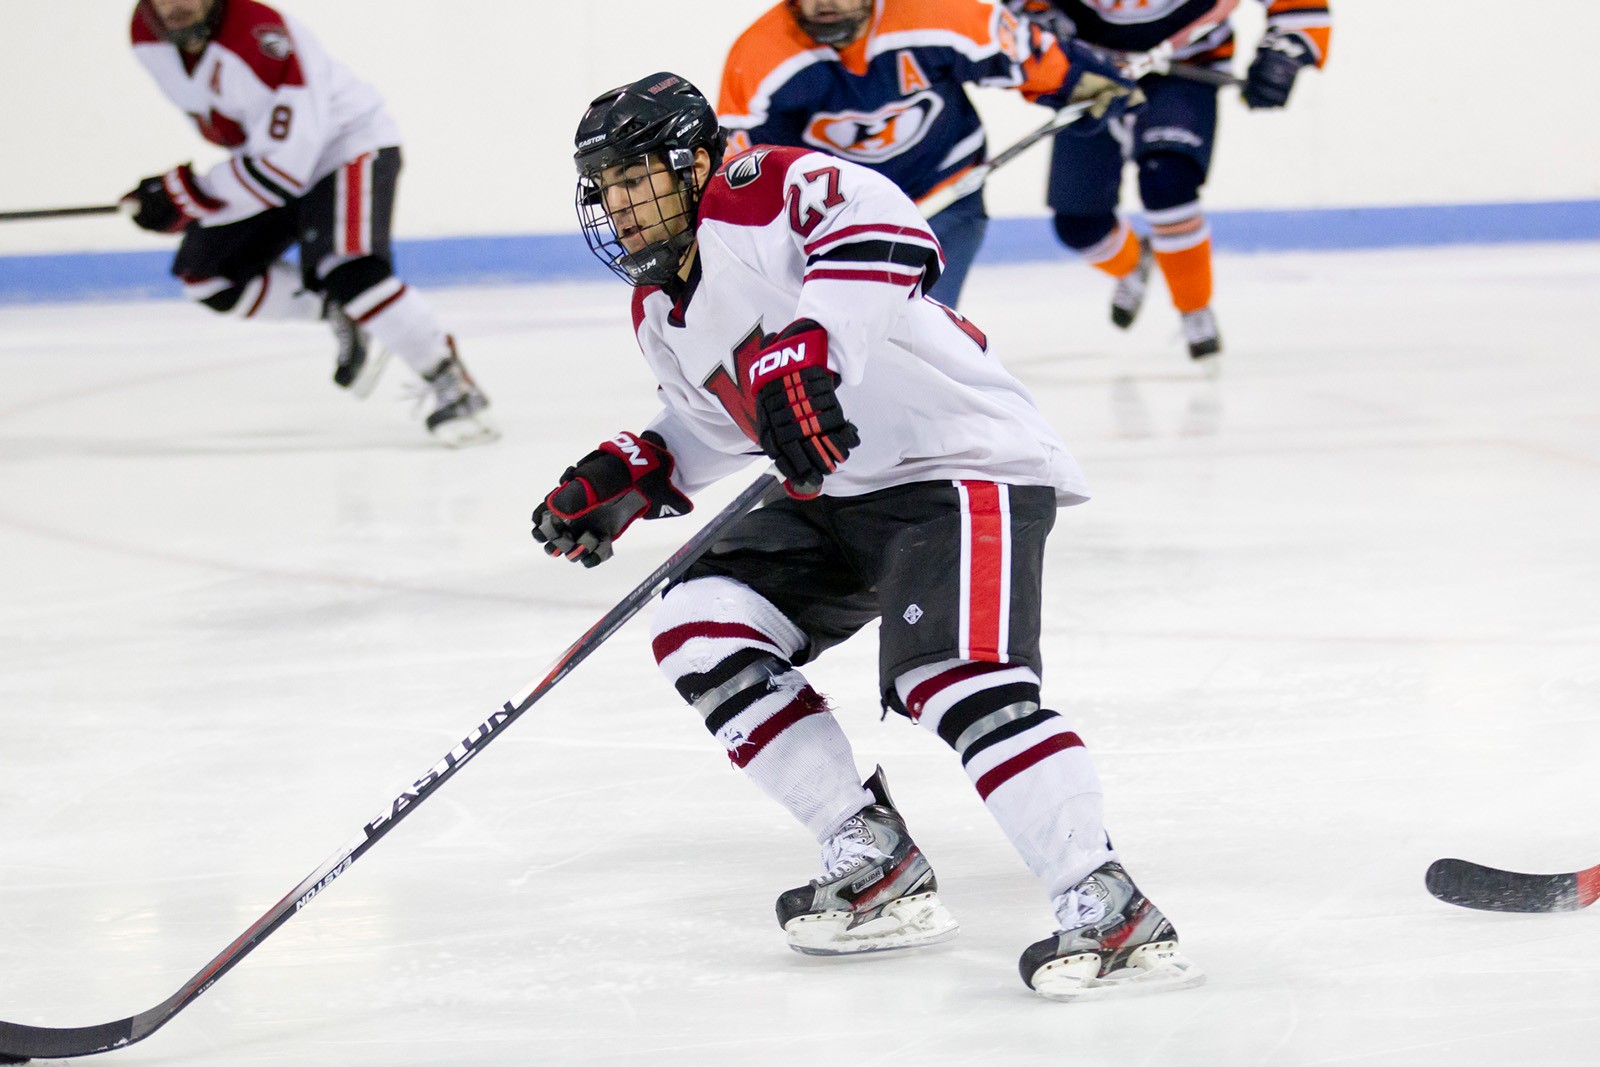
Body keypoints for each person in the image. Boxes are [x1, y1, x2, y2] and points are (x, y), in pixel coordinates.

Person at [532, 71, 1203, 1000]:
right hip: (839, 489)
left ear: (694, 165)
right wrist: (632, 473)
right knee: (700, 621)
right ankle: (874, 858)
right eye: (604, 189)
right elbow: (725, 420)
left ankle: (1109, 907)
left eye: (636, 177)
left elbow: (886, 228)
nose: (620, 206)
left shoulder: (758, 189)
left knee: (957, 678)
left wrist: (812, 346)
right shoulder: (658, 308)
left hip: (957, 463)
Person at [122, 0, 496, 446]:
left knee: (351, 271)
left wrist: (186, 194)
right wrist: (178, 197)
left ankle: (451, 380)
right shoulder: (147, 36)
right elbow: (259, 150)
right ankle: (339, 309)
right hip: (272, 165)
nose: (174, 5)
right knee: (207, 277)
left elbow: (283, 171)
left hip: (345, 146)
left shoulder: (260, 38)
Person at [717, 0, 1141, 308]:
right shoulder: (760, 56)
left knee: (919, 320)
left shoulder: (932, 15)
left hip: (946, 189)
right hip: (840, 216)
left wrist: (1078, 79)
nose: (824, 3)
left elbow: (1023, 53)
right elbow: (748, 168)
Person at [1007, 0, 1332, 359]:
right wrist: (1041, 32)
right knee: (1079, 226)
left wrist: (1286, 51)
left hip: (1184, 67)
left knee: (1168, 182)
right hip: (1092, 71)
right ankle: (1136, 263)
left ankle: (1194, 307)